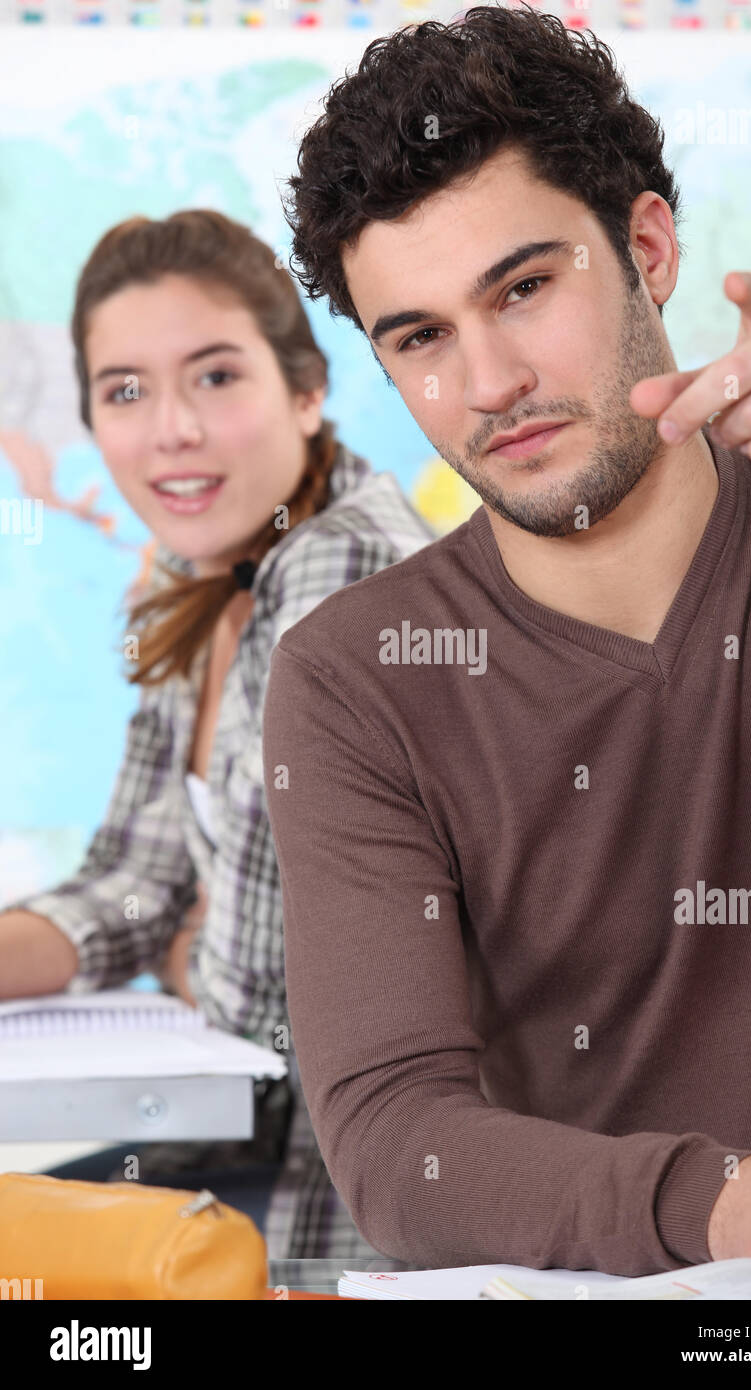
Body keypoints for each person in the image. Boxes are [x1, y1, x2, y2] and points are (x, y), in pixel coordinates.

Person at [261, 7, 751, 1277]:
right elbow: (391, 1136)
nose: (486, 384)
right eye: (419, 337)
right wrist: (719, 1200)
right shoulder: (351, 679)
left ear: (647, 248)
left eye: (524, 288)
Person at [0, 208, 435, 1259]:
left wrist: (202, 949)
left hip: (354, 1198)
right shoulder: (204, 574)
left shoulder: (339, 568)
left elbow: (282, 987)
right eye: (126, 391)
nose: (170, 431)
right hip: (259, 1145)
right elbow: (133, 878)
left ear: (305, 388)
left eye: (215, 376)